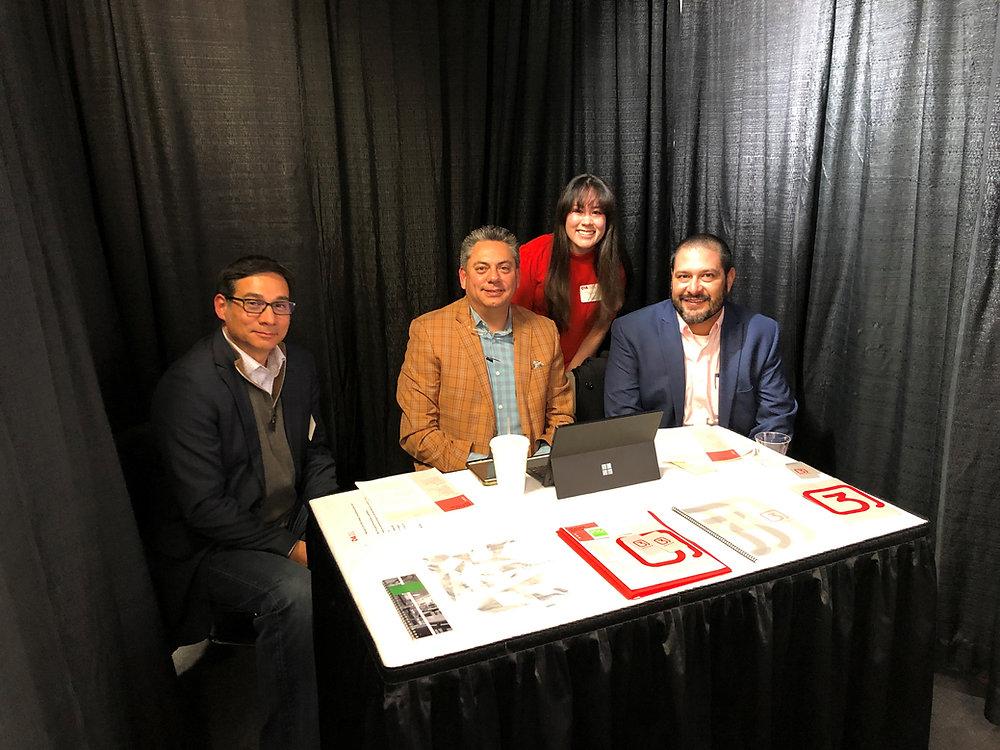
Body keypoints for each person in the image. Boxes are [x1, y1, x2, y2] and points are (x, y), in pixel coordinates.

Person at [150, 255, 338, 750]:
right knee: (295, 592)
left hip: (287, 516)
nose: (269, 317)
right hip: (215, 544)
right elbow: (204, 508)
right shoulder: (190, 385)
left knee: (363, 542)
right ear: (223, 306)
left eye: (281, 305)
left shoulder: (299, 365)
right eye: (253, 303)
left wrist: (324, 521)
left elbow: (317, 452)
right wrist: (293, 548)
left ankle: (348, 701)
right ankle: (293, 738)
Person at [397, 225, 574, 472]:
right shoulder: (429, 332)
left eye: (504, 268)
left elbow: (562, 414)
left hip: (530, 475)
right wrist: (483, 467)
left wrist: (541, 460)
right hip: (458, 476)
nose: (494, 278)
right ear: (463, 277)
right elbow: (417, 431)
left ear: (517, 276)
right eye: (481, 268)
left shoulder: (544, 331)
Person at [604, 233, 797, 437]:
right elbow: (623, 419)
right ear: (672, 278)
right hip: (662, 454)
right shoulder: (632, 331)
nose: (693, 289)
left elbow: (776, 418)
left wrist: (751, 457)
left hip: (736, 454)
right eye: (684, 276)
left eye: (707, 276)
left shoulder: (760, 333)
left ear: (729, 279)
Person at [513, 173, 627, 372]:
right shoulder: (532, 255)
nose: (587, 221)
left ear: (607, 220)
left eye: (596, 212)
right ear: (564, 215)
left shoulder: (613, 268)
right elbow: (513, 323)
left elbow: (599, 328)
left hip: (575, 370)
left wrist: (570, 376)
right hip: (527, 367)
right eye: (578, 211)